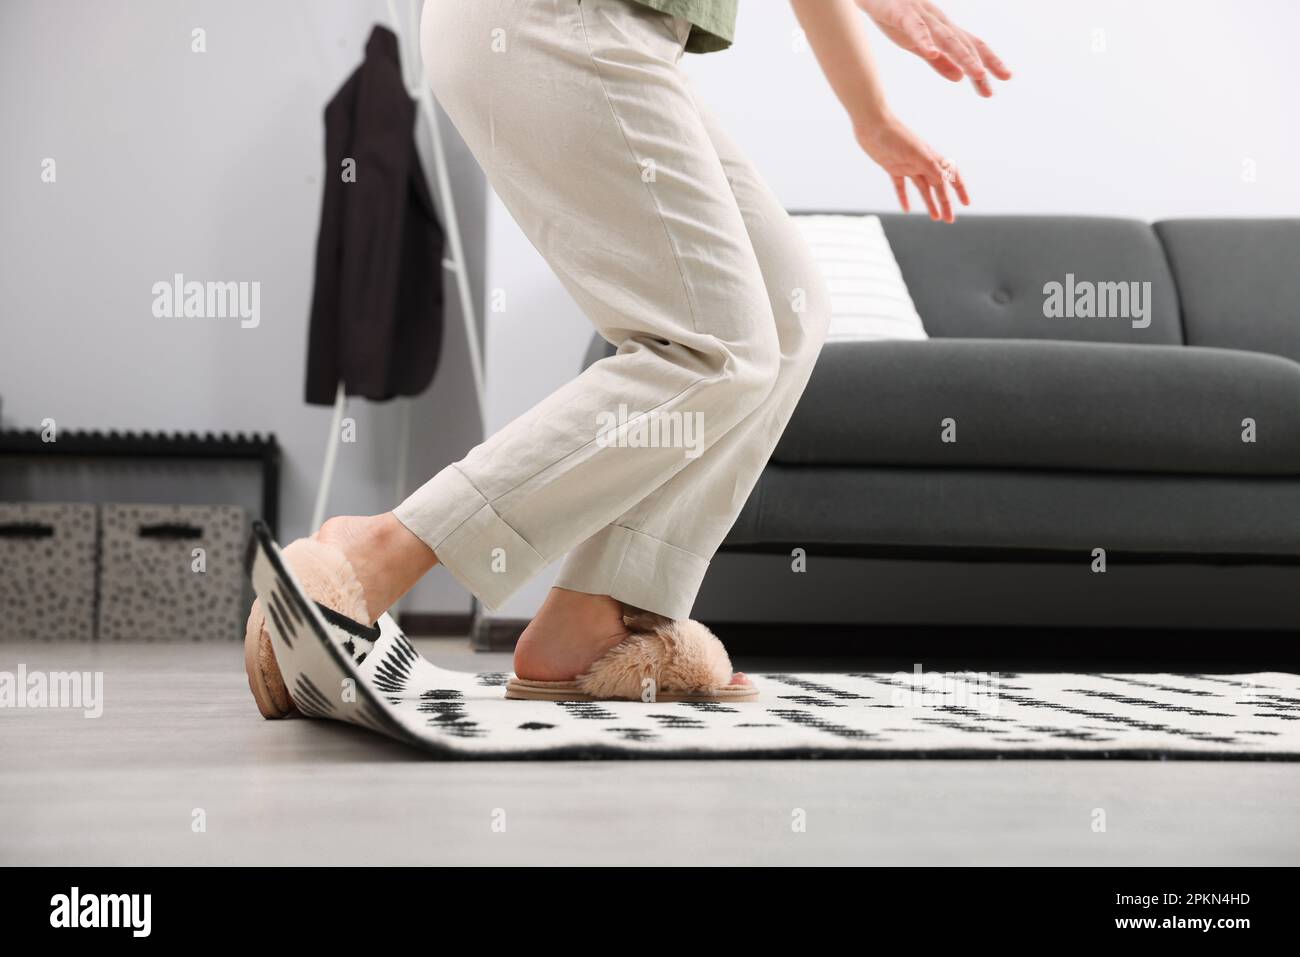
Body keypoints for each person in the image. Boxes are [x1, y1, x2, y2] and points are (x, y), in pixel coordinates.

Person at [245, 0, 1010, 714]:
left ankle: (600, 613)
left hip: (614, 34)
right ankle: (379, 549)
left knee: (786, 312)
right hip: (563, 20)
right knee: (716, 347)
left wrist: (870, 117)